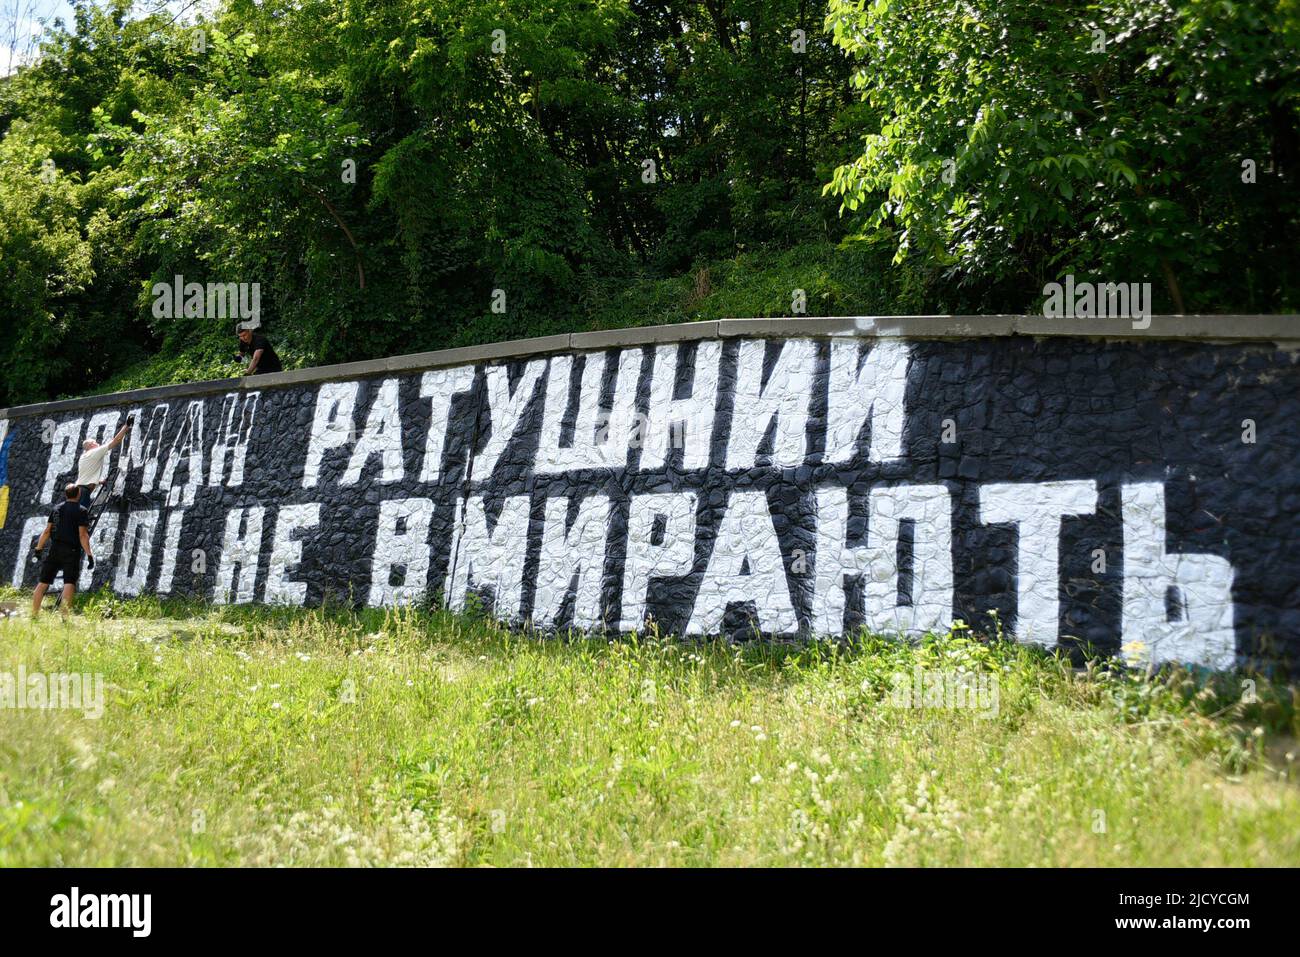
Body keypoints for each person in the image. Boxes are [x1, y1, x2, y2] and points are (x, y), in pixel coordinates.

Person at [31, 484, 94, 620]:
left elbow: (47, 531)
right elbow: (83, 535)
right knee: (69, 583)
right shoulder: (81, 510)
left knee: (43, 582)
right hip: (71, 551)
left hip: (55, 549)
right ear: (78, 494)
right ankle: (65, 619)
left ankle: (34, 616)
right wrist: (89, 555)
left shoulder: (56, 509)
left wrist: (38, 549)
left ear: (66, 495)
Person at [75, 415, 132, 507]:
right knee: (81, 518)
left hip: (79, 490)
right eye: (95, 442)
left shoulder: (84, 456)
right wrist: (126, 426)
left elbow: (87, 473)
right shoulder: (94, 452)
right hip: (83, 491)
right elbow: (116, 441)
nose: (97, 443)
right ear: (91, 445)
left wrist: (99, 481)